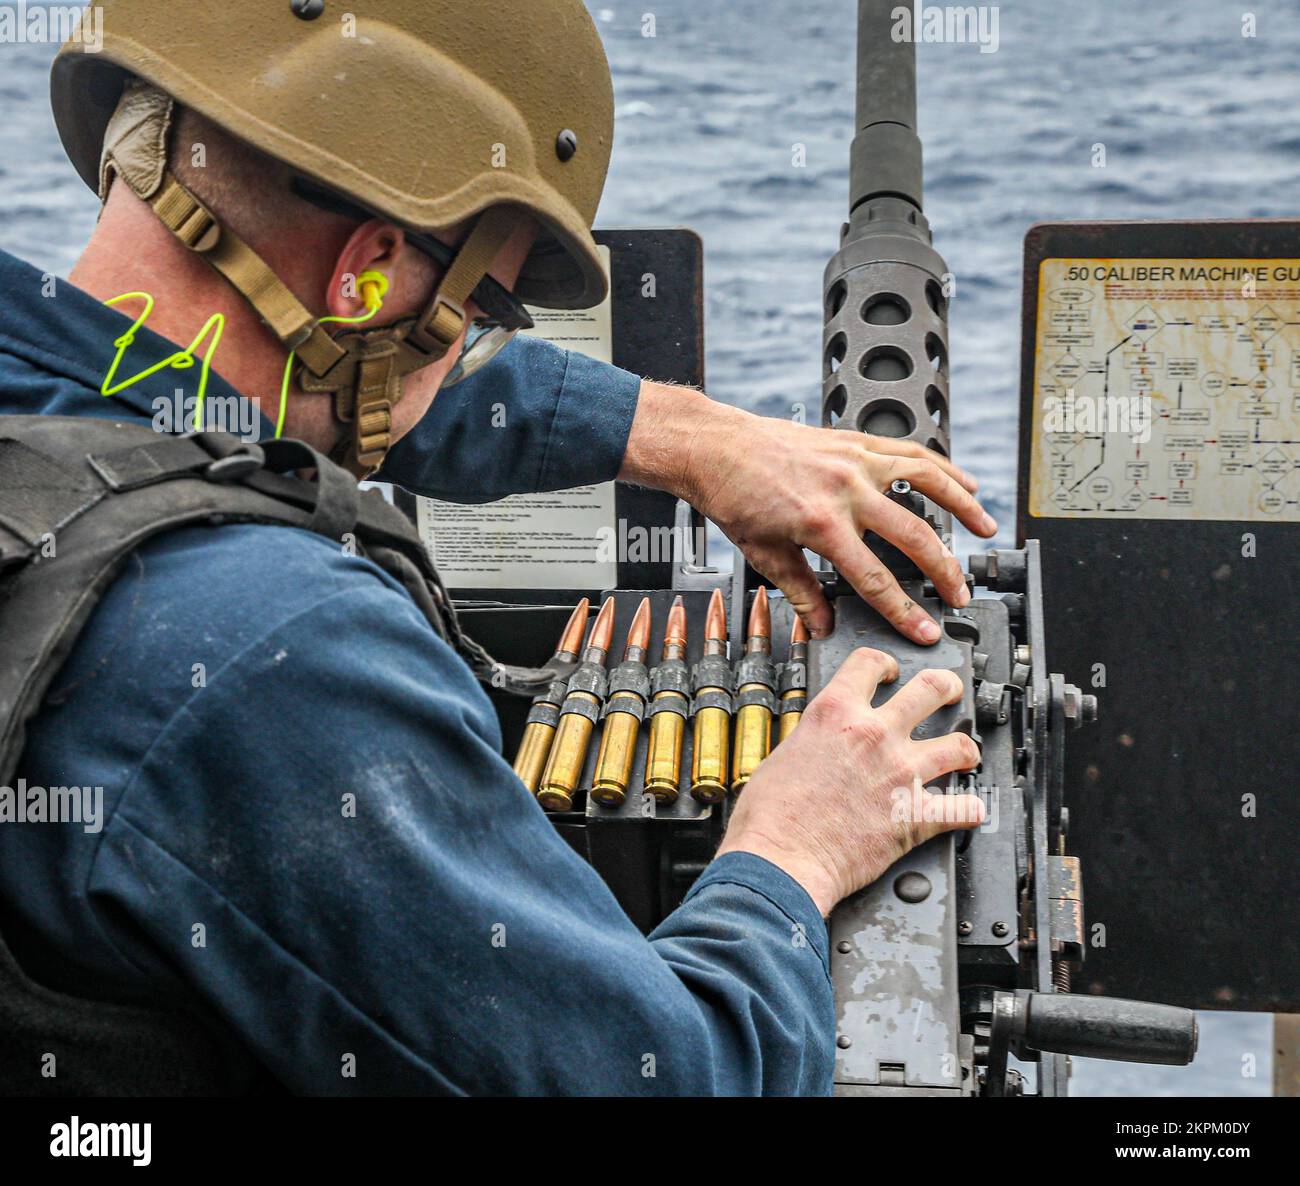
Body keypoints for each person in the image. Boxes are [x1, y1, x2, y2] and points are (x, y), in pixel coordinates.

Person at [0, 0, 993, 1094]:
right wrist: (790, 852)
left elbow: (275, 386)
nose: (464, 354)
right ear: (370, 274)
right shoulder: (275, 650)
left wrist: (697, 442)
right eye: (474, 312)